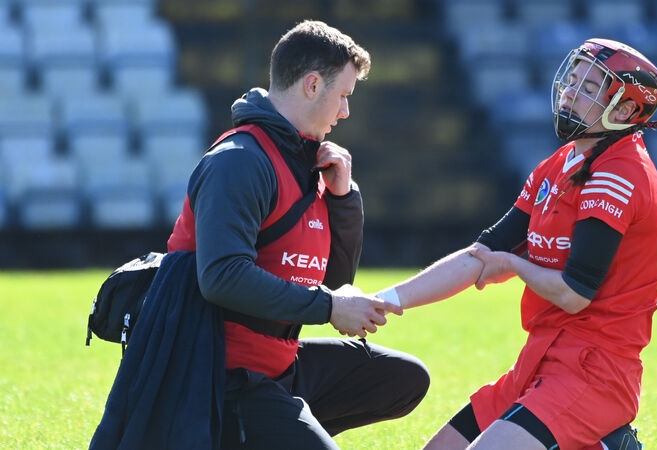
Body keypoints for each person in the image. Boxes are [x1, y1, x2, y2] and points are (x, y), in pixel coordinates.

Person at [92, 20, 429, 450]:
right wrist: (328, 306)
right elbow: (222, 276)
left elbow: (334, 279)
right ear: (311, 85)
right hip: (219, 380)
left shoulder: (310, 162)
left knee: (403, 379)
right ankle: (232, 432)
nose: (345, 112)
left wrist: (344, 199)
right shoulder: (240, 160)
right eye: (343, 96)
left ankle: (266, 431)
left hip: (279, 367)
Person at [373, 39, 657, 449]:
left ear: (624, 111)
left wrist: (514, 266)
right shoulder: (559, 164)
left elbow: (574, 294)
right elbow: (482, 255)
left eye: (587, 89)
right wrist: (385, 300)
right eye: (572, 81)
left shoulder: (619, 173)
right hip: (541, 360)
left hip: (595, 373)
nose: (569, 92)